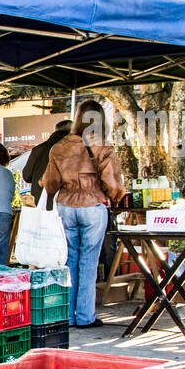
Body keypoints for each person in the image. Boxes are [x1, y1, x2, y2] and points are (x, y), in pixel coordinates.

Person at [40, 99, 125, 329]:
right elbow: (114, 184)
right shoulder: (102, 145)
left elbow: (49, 183)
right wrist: (114, 199)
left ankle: (67, 316)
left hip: (66, 206)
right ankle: (85, 317)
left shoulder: (59, 147)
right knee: (89, 262)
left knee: (69, 262)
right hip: (93, 206)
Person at [24, 119, 72, 204]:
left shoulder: (38, 150)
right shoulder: (74, 150)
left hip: (39, 201)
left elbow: (27, 176)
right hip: (65, 201)